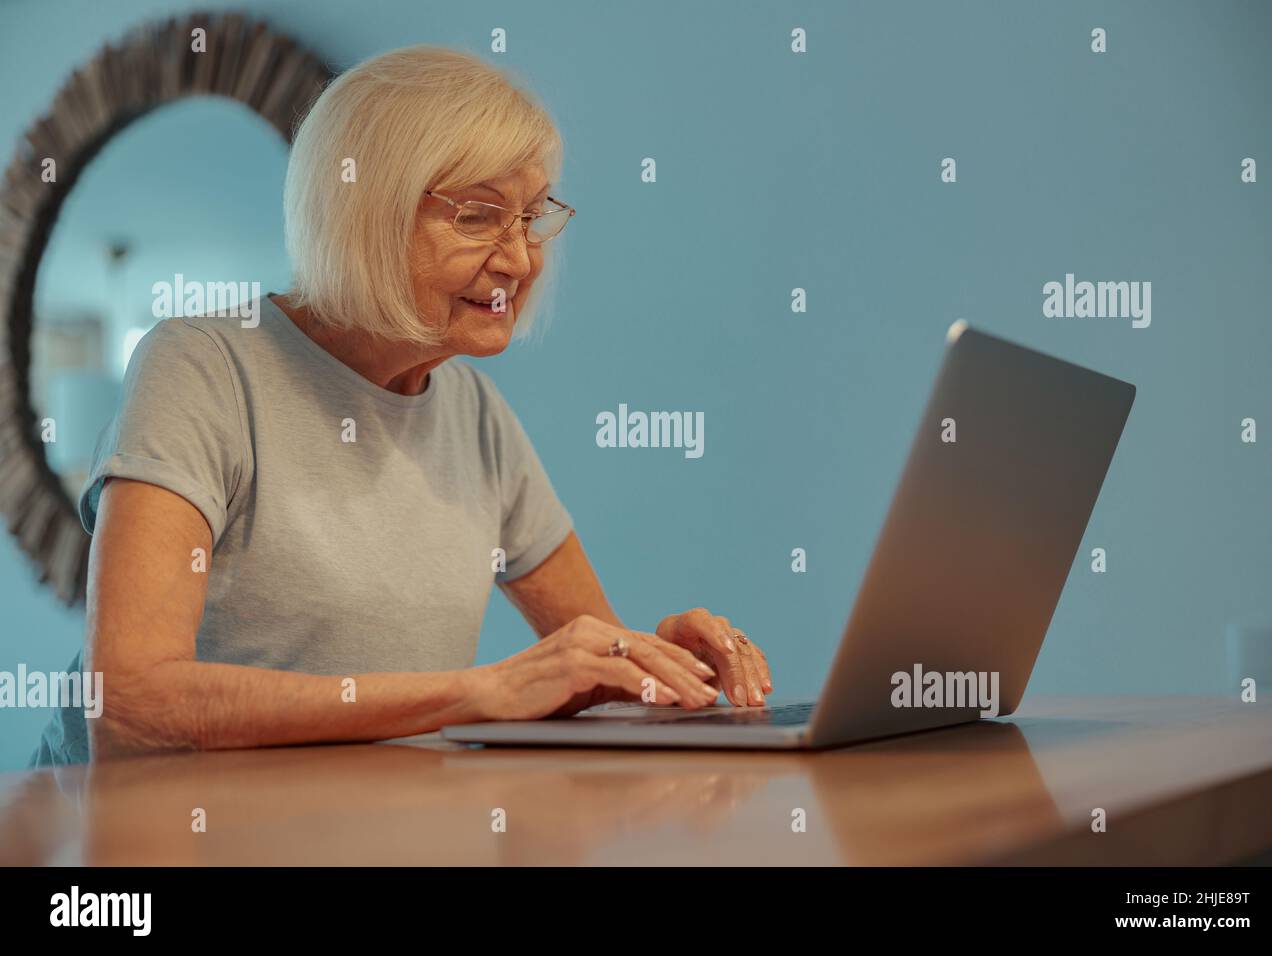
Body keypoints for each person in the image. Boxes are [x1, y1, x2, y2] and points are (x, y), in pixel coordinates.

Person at [33, 46, 771, 766]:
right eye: (479, 217)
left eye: (532, 216)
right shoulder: (202, 366)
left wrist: (666, 665)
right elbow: (131, 707)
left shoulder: (473, 414)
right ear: (366, 215)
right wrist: (479, 693)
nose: (519, 260)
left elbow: (597, 661)